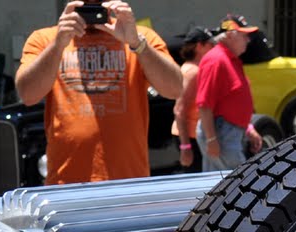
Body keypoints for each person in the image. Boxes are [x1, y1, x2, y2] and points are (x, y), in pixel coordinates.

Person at [16, 2, 182, 185]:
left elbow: (174, 89)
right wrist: (58, 45)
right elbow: (28, 95)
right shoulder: (45, 39)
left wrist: (137, 43)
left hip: (129, 181)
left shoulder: (139, 36)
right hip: (66, 182)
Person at [197, 16, 265, 172]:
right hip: (221, 134)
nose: (248, 40)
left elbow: (231, 101)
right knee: (238, 184)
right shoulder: (216, 60)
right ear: (229, 35)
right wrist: (211, 139)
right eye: (244, 35)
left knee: (222, 185)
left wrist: (248, 129)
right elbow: (204, 105)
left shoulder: (230, 59)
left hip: (228, 133)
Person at [172, 27, 215, 171]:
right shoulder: (192, 72)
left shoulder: (195, 68)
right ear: (199, 46)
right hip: (190, 137)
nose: (213, 47)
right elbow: (179, 110)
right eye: (210, 44)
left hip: (194, 135)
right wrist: (186, 146)